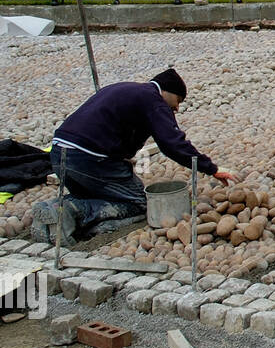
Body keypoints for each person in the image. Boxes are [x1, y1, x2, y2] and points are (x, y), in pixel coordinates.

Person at [32, 68, 241, 244]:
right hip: (89, 159)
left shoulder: (125, 89)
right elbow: (172, 144)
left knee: (102, 195)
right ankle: (69, 210)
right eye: (178, 100)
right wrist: (211, 168)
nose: (176, 108)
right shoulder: (153, 100)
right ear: (167, 91)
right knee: (140, 203)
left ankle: (51, 210)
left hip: (59, 153)